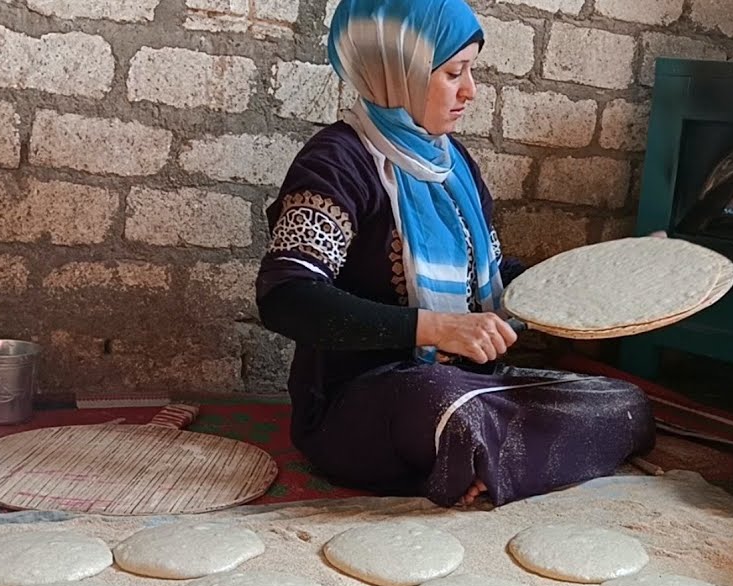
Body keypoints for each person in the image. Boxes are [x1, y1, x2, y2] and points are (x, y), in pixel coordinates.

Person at [255, 0, 655, 508]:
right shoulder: (339, 162)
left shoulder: (453, 163)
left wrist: (579, 284)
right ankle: (483, 451)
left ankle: (481, 459)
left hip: (470, 383)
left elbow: (486, 275)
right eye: (453, 73)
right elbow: (287, 296)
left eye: (470, 71)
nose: (469, 91)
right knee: (442, 406)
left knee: (624, 404)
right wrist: (434, 328)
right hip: (365, 400)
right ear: (396, 72)